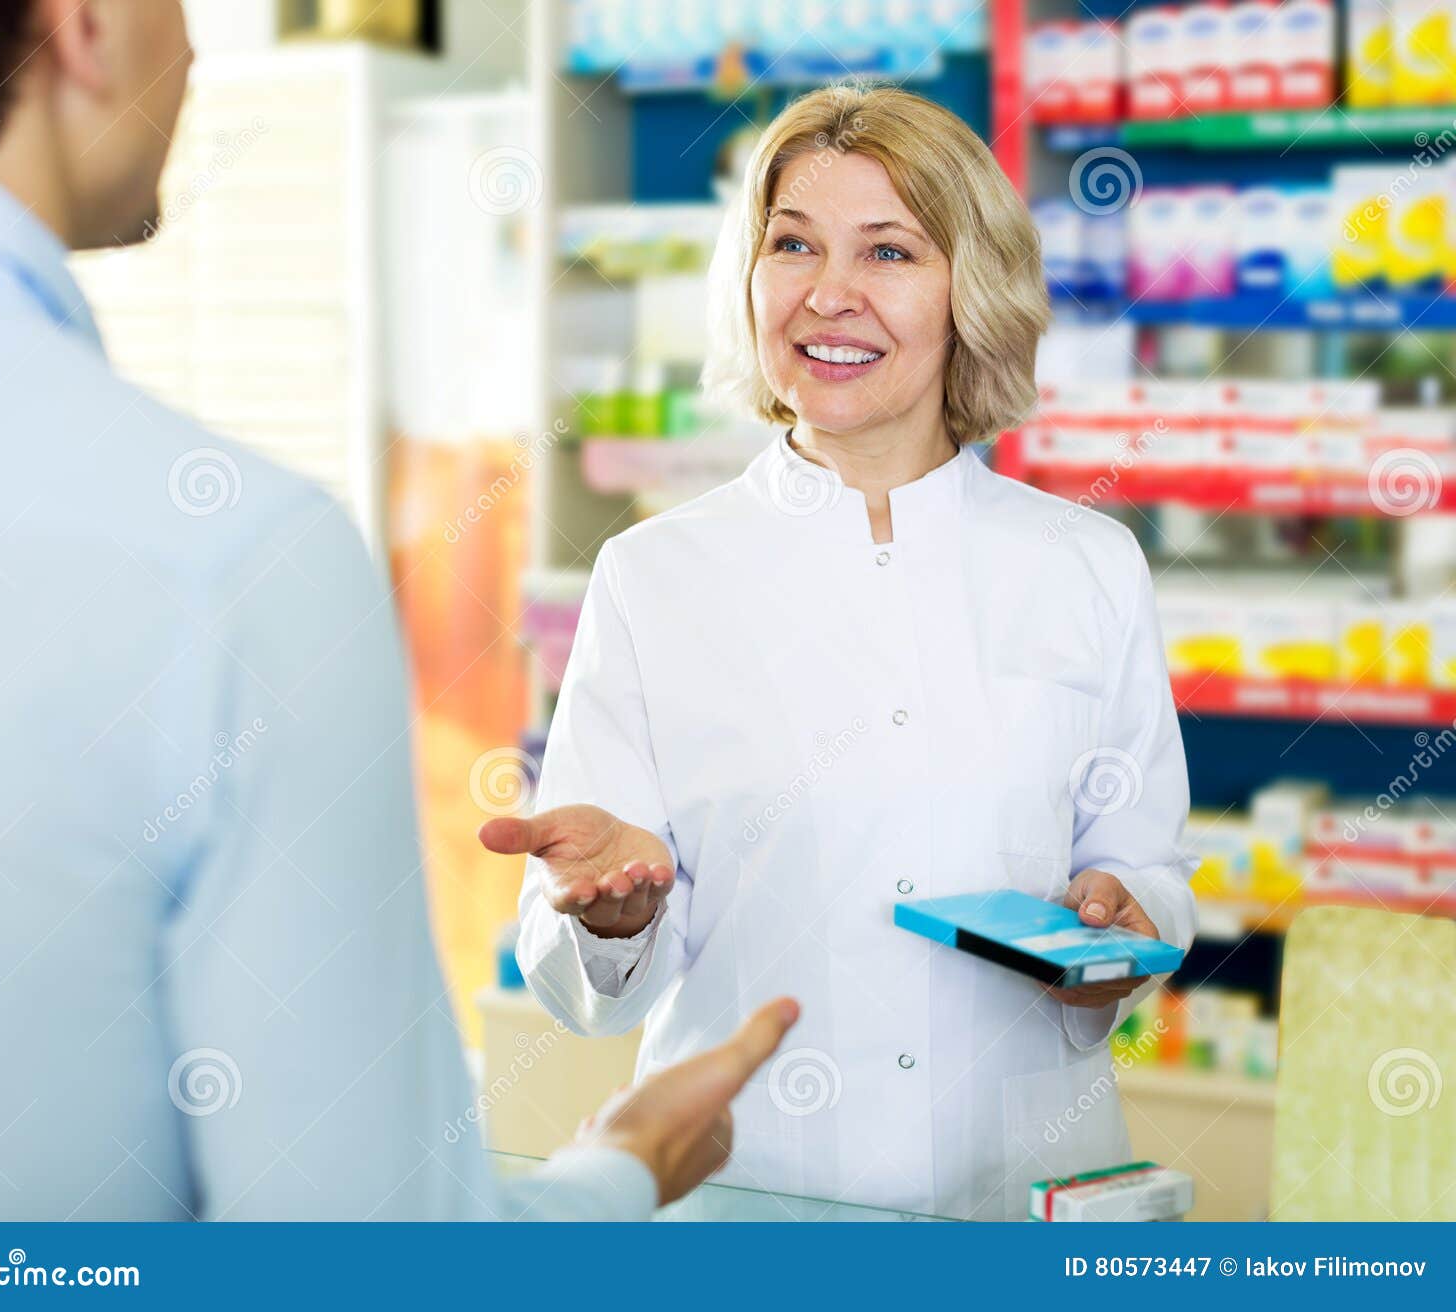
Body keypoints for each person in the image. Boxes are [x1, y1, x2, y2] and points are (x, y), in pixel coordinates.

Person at [0, 0, 796, 1222]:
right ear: (85, 28)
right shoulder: (233, 560)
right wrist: (624, 1166)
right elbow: (361, 1249)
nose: (195, 50)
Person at [484, 85, 1196, 1221]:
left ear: (975, 285)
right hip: (749, 1195)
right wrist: (609, 916)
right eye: (792, 244)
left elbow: (1151, 869)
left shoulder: (1085, 564)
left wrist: (1124, 911)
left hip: (1020, 1194)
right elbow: (583, 985)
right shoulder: (655, 577)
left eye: (890, 251)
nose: (829, 293)